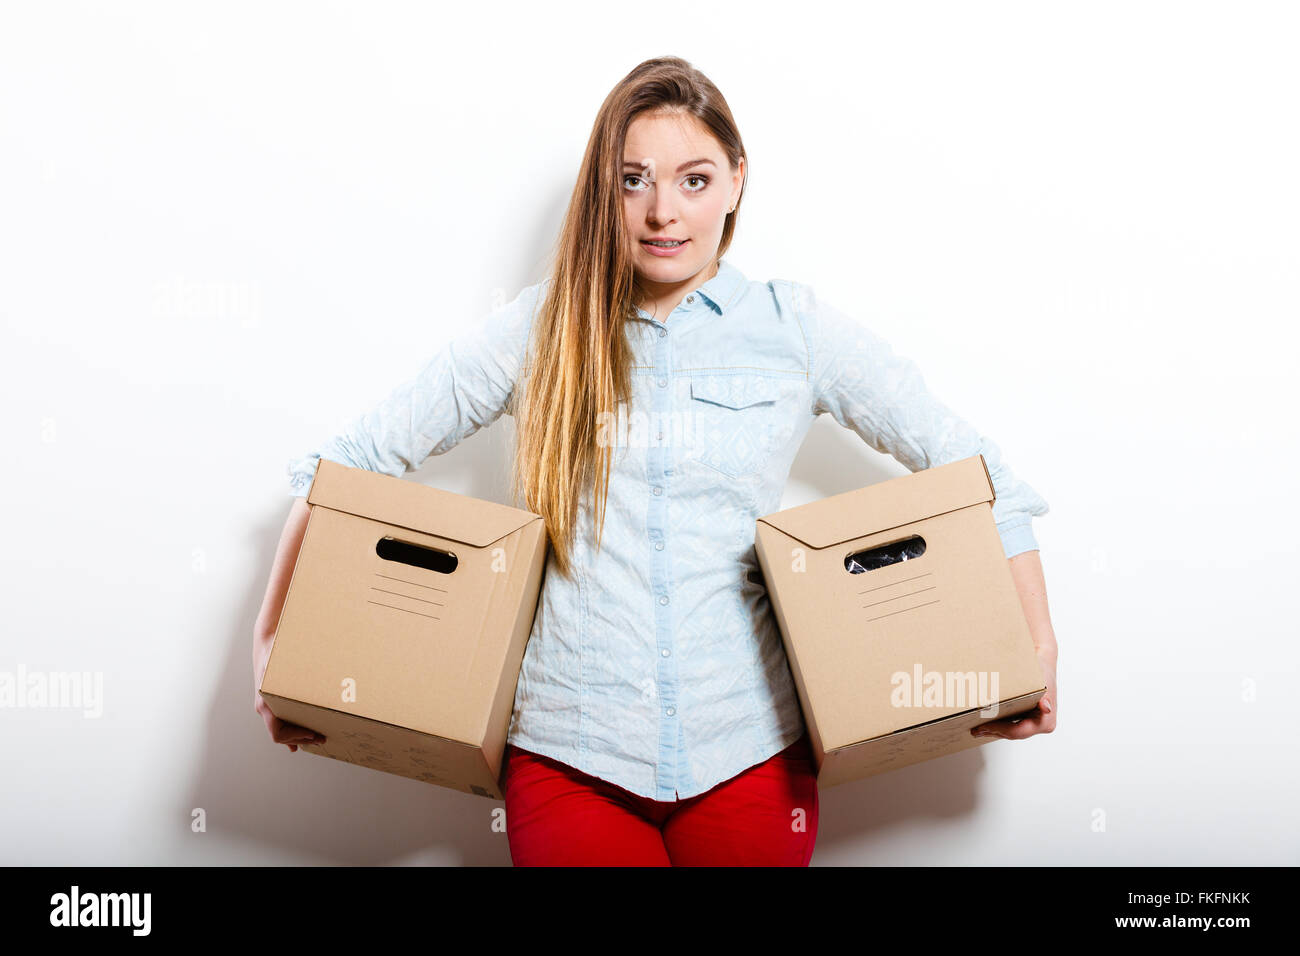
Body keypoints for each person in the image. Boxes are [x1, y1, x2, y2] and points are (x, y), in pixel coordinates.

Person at [253, 55, 1059, 866]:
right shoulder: (541, 328)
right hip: (570, 756)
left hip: (751, 753)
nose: (663, 212)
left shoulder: (796, 330)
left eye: (694, 180)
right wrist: (274, 649)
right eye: (633, 180)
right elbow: (345, 466)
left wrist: (1035, 653)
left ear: (738, 182)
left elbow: (987, 478)